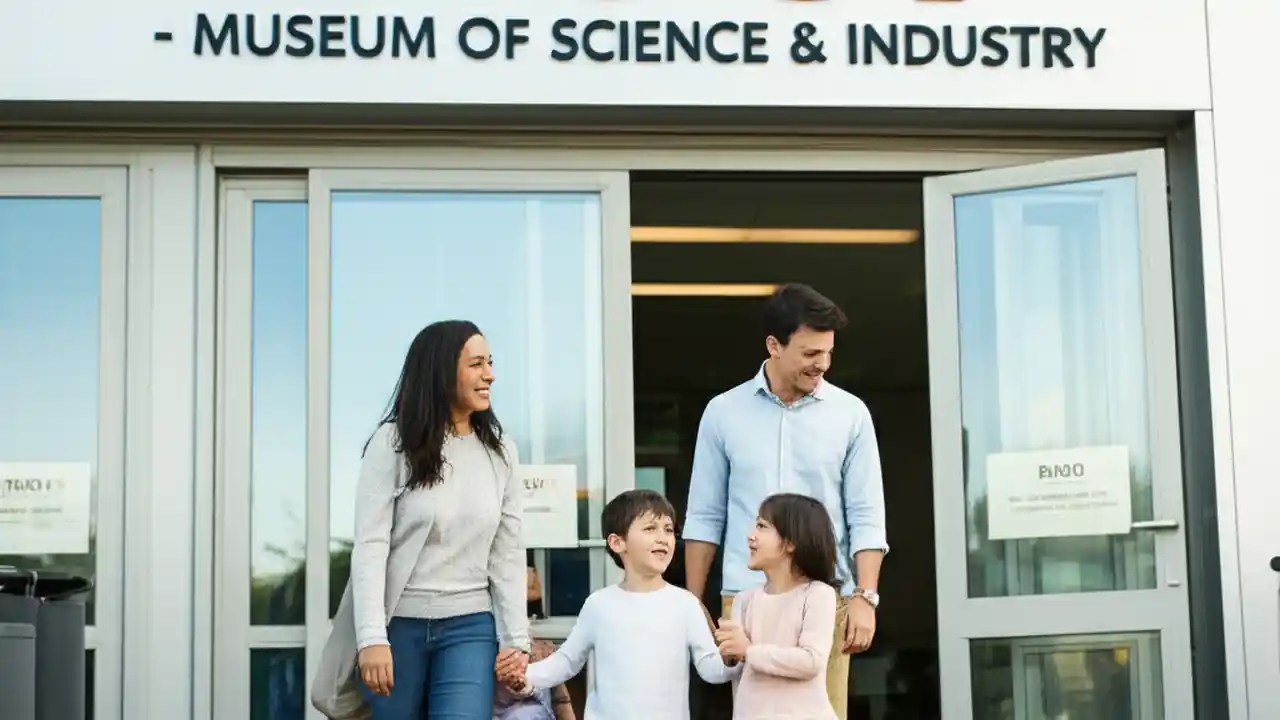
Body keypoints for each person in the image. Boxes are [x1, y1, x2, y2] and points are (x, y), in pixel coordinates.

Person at [683, 283, 889, 720]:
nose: (823, 364)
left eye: (828, 352)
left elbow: (867, 514)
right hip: (742, 595)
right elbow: (704, 516)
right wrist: (694, 603)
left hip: (827, 595)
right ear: (774, 345)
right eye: (811, 353)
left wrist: (865, 597)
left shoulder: (850, 414)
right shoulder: (723, 412)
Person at [351, 320, 530, 719]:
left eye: (491, 362)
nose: (491, 374)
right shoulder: (392, 445)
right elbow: (370, 546)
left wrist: (516, 640)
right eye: (477, 364)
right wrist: (371, 639)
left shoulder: (501, 453)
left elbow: (507, 552)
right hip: (398, 629)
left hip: (470, 628)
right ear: (441, 369)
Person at [497, 490, 737, 719]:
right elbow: (566, 662)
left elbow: (710, 668)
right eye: (650, 528)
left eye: (668, 530)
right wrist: (525, 675)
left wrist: (732, 657)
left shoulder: (685, 604)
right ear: (617, 542)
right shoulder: (599, 605)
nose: (663, 538)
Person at [714, 494, 842, 720]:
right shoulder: (744, 601)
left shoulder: (818, 594)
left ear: (791, 542)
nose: (750, 536)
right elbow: (736, 673)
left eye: (762, 526)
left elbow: (811, 661)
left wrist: (748, 651)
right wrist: (727, 653)